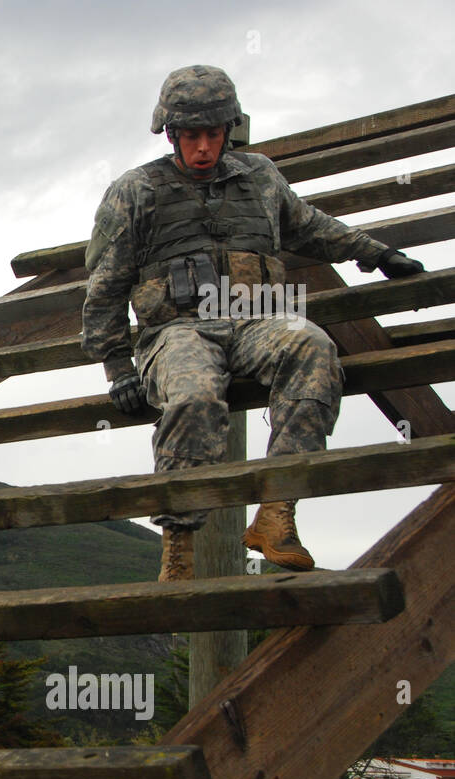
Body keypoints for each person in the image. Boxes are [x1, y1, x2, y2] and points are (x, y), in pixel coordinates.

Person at [80, 65, 426, 580]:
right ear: (172, 134)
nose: (203, 147)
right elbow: (105, 284)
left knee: (310, 345)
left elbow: (310, 226)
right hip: (178, 330)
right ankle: (179, 542)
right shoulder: (136, 191)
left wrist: (376, 253)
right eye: (191, 136)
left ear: (228, 131)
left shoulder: (259, 176)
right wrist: (116, 366)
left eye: (212, 135)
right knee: (194, 394)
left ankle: (277, 512)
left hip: (254, 318)